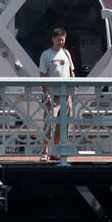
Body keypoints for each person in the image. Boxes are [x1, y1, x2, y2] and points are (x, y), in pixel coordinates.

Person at [38, 27, 75, 163]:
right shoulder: (46, 55)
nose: (60, 42)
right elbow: (42, 75)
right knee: (49, 124)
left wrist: (72, 88)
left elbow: (71, 71)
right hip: (52, 95)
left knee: (62, 124)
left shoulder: (66, 53)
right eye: (58, 39)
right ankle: (45, 151)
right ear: (53, 39)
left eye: (62, 40)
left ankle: (56, 151)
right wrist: (46, 94)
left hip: (66, 95)